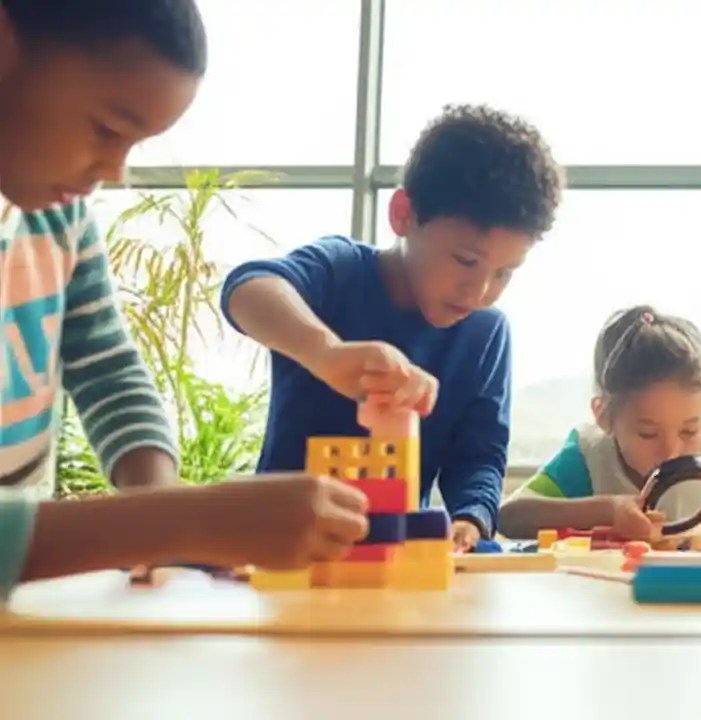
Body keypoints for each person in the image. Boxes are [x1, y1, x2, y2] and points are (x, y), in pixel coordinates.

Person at [0, 0, 370, 602]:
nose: (115, 171)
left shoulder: (58, 215)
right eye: (106, 129)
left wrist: (160, 511)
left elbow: (107, 367)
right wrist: (182, 521)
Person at [221, 104, 564, 551]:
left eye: (504, 273)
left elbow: (478, 455)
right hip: (283, 547)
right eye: (466, 260)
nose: (479, 290)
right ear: (403, 213)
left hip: (394, 554)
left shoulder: (485, 335)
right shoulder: (341, 271)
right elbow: (247, 288)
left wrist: (471, 518)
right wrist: (325, 352)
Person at [499, 305, 701, 541]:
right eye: (647, 433)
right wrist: (609, 511)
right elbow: (509, 517)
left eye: (689, 430)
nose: (672, 451)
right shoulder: (589, 457)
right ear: (604, 415)